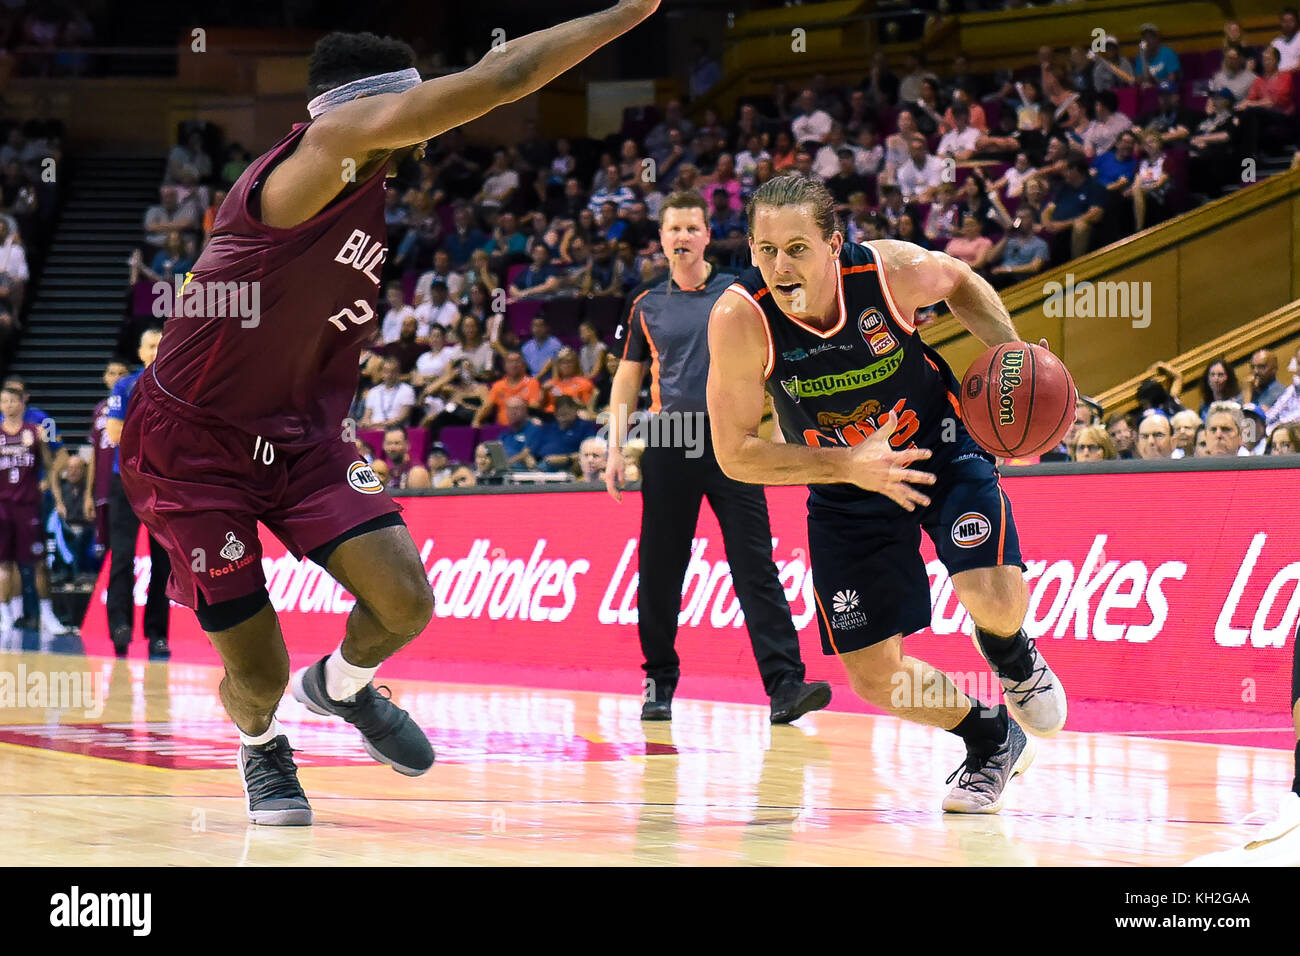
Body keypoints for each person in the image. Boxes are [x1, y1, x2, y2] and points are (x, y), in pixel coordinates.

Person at [116, 5, 665, 827]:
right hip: (192, 447)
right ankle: (262, 745)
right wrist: (631, 10)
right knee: (256, 673)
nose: (427, 133)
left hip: (298, 434)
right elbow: (502, 78)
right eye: (411, 113)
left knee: (406, 602)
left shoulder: (363, 182)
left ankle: (339, 687)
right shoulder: (326, 150)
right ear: (366, 108)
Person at [708, 176, 1067, 813]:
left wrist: (1007, 350)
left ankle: (1009, 652)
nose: (780, 265)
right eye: (766, 250)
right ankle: (991, 739)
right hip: (845, 484)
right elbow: (735, 454)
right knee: (873, 677)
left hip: (940, 449)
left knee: (993, 597)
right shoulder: (740, 318)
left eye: (797, 247)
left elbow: (959, 280)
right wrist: (848, 464)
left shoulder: (887, 273)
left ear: (834, 245)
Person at [606, 189, 831, 725]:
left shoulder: (740, 289)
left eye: (691, 228)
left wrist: (786, 428)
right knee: (662, 567)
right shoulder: (644, 304)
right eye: (673, 229)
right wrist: (616, 446)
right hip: (668, 442)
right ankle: (658, 680)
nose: (682, 237)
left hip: (735, 441)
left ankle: (785, 686)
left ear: (708, 235)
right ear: (660, 239)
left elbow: (779, 358)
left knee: (755, 564)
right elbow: (626, 378)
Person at [105, 329, 173, 660]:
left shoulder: (181, 383)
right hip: (128, 481)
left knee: (164, 559)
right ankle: (119, 626)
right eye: (150, 345)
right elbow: (116, 433)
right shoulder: (126, 385)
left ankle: (158, 633)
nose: (156, 351)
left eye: (161, 344)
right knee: (122, 556)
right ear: (140, 351)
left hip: (164, 483)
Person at [0, 386, 65, 643]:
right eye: (3, 401)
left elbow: (50, 467)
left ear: (22, 403)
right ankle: (6, 616)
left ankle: (47, 616)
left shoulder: (34, 432)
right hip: (2, 507)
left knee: (39, 564)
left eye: (12, 401)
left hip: (29, 506)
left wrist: (57, 497)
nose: (8, 405)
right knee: (4, 564)